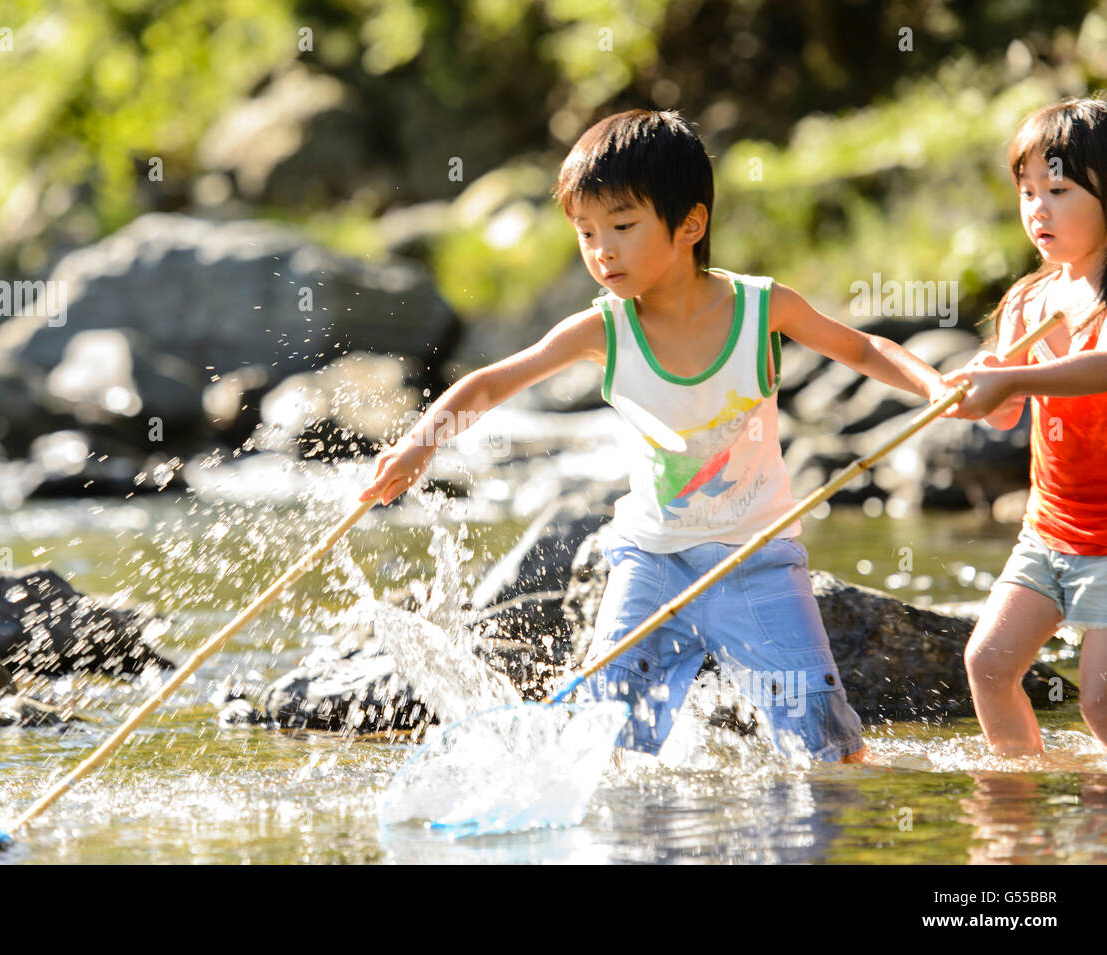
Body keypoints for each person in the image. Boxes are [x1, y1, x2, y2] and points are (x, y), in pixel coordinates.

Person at [360, 108, 948, 764]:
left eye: (622, 226)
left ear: (690, 224)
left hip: (755, 559)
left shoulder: (761, 309)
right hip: (649, 563)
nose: (601, 250)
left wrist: (935, 387)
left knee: (823, 747)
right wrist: (421, 440)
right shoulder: (603, 330)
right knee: (607, 745)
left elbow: (863, 349)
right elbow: (493, 383)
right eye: (585, 232)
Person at [943, 98, 1107, 757]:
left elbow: (1098, 369)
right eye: (1028, 191)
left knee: (1098, 698)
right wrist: (985, 387)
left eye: (1059, 189)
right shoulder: (1027, 300)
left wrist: (1017, 379)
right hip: (1050, 530)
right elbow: (1007, 410)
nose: (1038, 208)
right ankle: (1019, 808)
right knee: (987, 664)